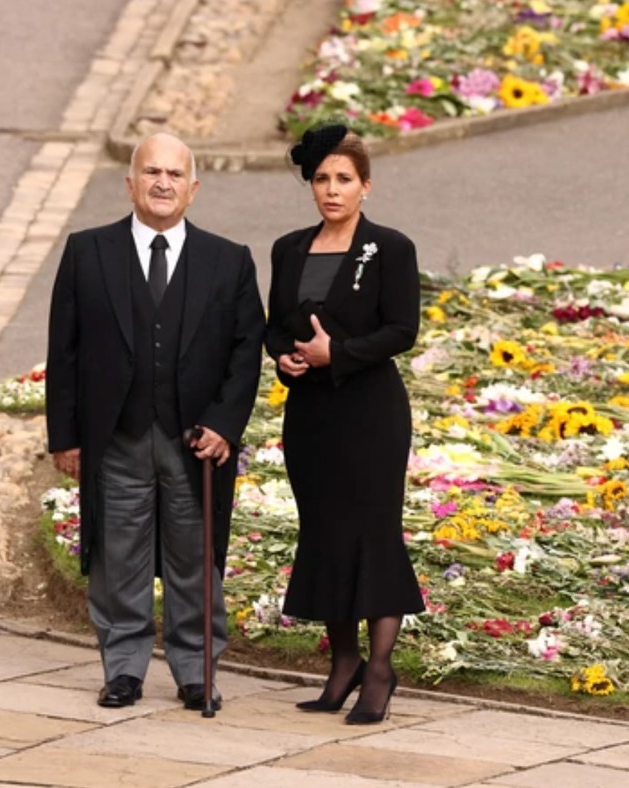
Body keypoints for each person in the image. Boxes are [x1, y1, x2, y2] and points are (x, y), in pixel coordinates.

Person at [46, 132, 265, 710]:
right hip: (116, 437)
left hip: (195, 441)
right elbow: (63, 349)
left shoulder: (229, 260)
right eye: (151, 173)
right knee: (119, 557)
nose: (162, 183)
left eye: (174, 175)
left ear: (193, 189)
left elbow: (247, 352)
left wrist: (223, 423)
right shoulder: (87, 252)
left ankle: (197, 672)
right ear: (131, 183)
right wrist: (64, 436)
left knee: (195, 558)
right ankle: (124, 669)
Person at [266, 124, 424, 725]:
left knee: (373, 533)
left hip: (371, 414)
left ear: (366, 186)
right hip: (311, 414)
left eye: (344, 179)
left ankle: (380, 671)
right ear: (312, 185)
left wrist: (342, 354)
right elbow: (276, 325)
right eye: (323, 179)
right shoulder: (288, 248)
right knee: (326, 532)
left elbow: (401, 330)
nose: (332, 190)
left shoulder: (390, 248)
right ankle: (343, 663)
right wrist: (282, 355)